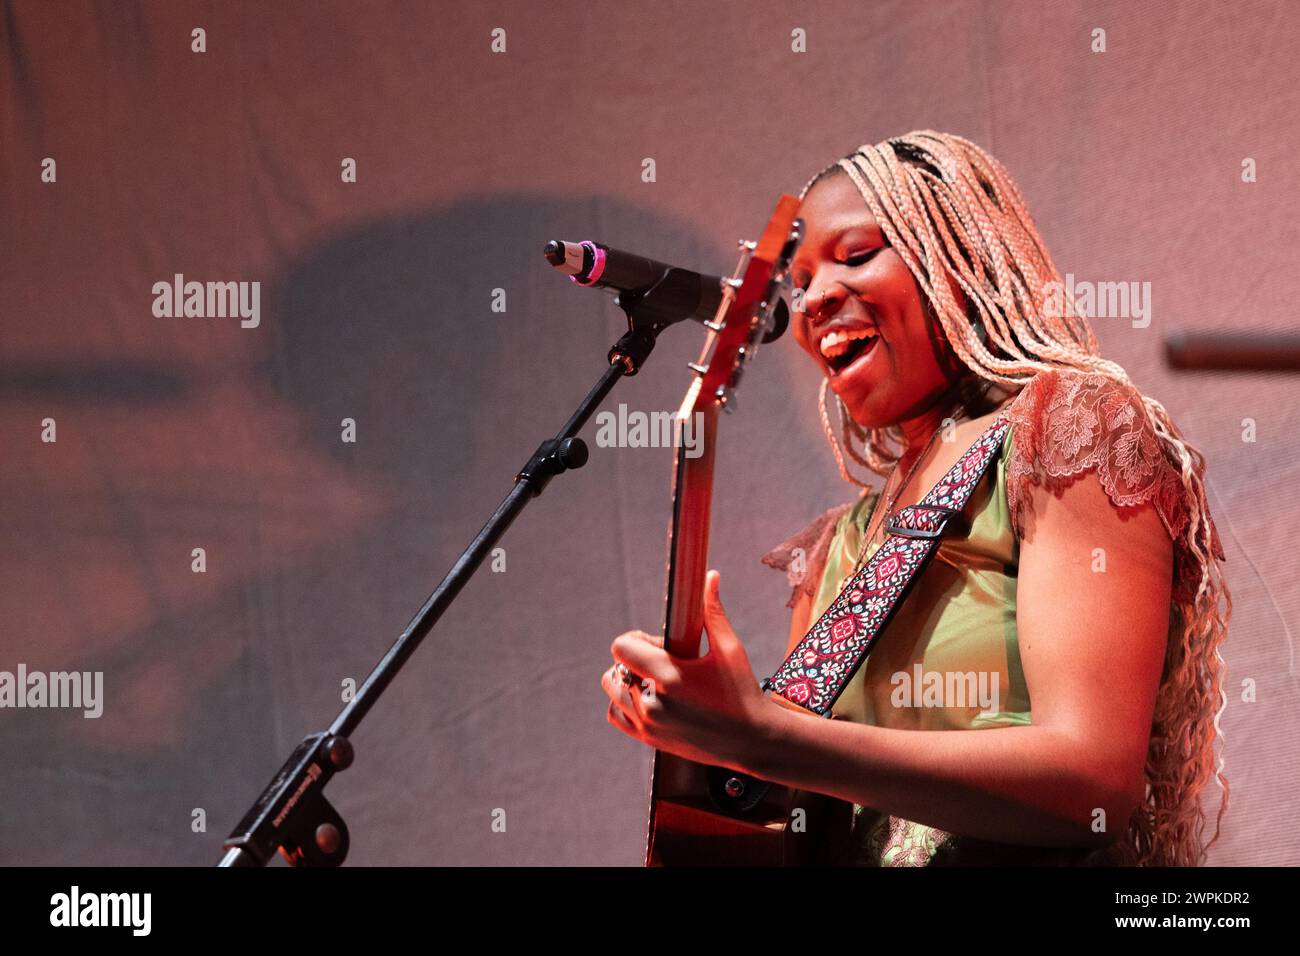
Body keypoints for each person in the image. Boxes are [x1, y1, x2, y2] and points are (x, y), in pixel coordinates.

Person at [601, 131, 1230, 866]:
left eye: (858, 255)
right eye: (799, 281)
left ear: (960, 261)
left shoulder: (1067, 427)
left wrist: (765, 737)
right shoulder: (836, 547)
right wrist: (706, 743)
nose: (816, 298)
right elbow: (804, 804)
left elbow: (1090, 787)